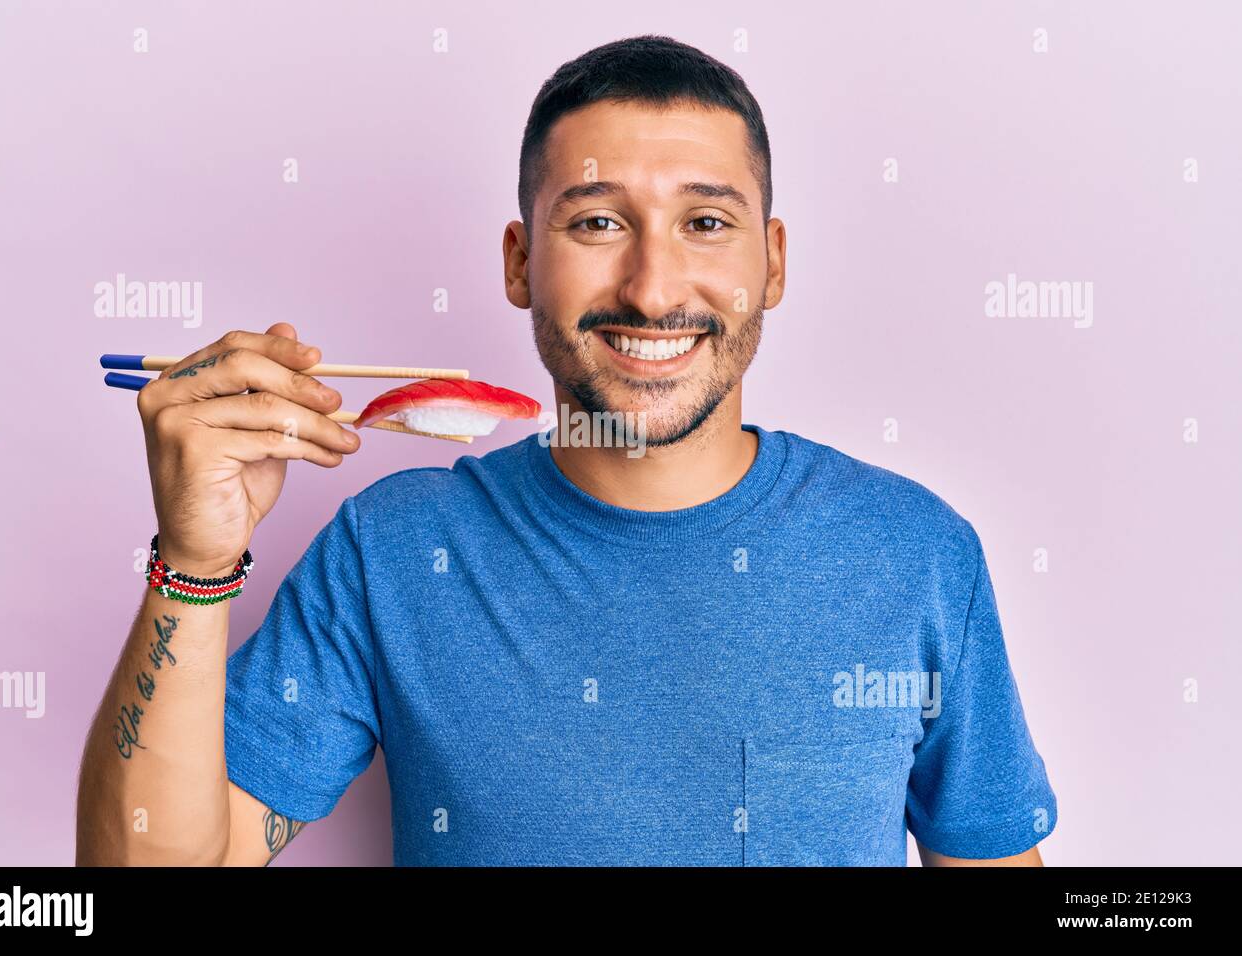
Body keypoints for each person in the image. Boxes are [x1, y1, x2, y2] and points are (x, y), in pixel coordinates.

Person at [76, 34, 1057, 866]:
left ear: (773, 260)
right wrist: (194, 563)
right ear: (518, 262)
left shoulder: (914, 550)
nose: (650, 284)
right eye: (595, 221)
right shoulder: (397, 550)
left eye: (707, 223)